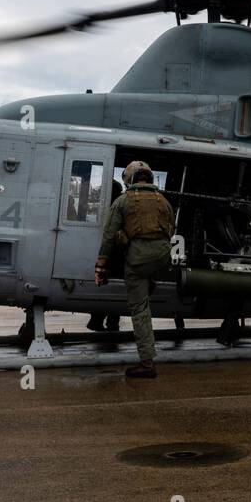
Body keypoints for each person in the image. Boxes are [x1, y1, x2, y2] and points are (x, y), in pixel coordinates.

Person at [95, 162, 173, 378]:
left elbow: (109, 236)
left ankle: (146, 364)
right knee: (146, 279)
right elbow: (171, 229)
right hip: (161, 258)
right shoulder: (163, 201)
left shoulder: (123, 200)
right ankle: (150, 283)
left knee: (140, 310)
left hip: (138, 261)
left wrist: (101, 267)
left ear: (129, 179)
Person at [87, 179, 123, 333]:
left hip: (105, 252)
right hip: (116, 253)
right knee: (117, 290)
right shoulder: (119, 207)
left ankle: (97, 320)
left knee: (105, 287)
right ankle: (111, 323)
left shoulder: (104, 207)